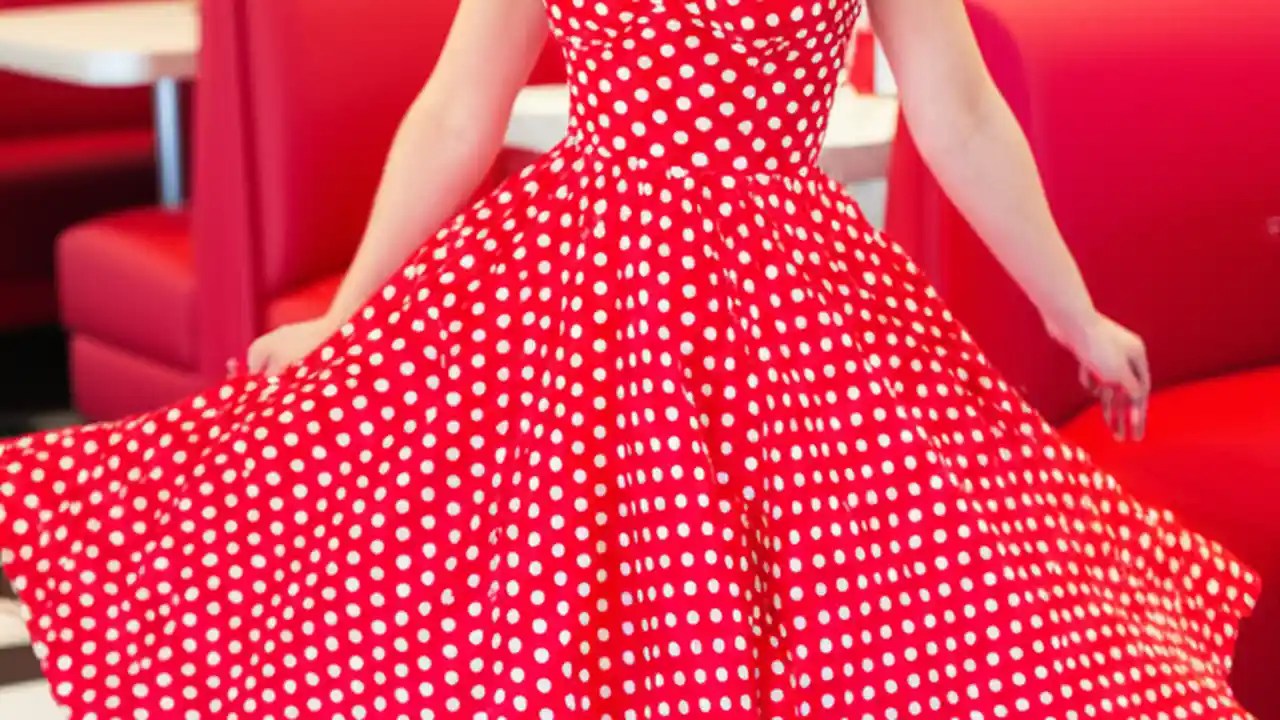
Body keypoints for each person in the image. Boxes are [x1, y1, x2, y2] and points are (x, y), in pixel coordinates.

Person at [0, 0, 1258, 717]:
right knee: (549, 626)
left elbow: (960, 107)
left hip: (790, 301)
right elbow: (457, 108)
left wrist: (1070, 311)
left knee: (905, 624)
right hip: (581, 293)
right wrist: (351, 317)